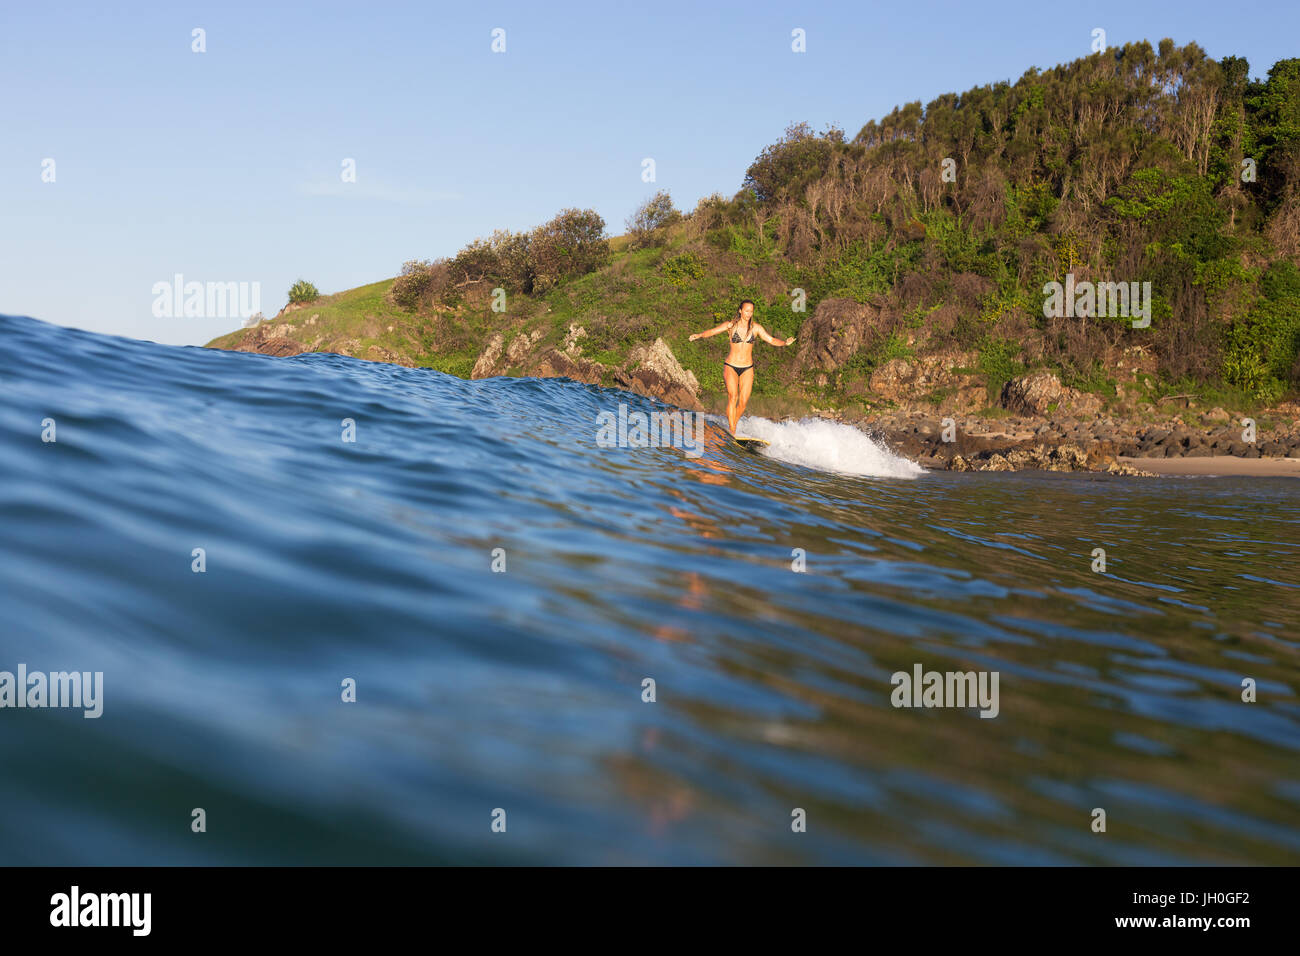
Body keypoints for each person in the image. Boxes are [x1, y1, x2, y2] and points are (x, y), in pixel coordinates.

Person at [688, 300, 795, 434]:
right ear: (740, 310)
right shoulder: (730, 326)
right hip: (731, 366)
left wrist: (784, 343)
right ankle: (732, 431)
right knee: (733, 397)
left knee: (743, 403)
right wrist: (699, 335)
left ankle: (732, 425)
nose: (749, 314)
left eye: (751, 311)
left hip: (747, 368)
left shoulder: (756, 328)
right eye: (746, 311)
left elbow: (771, 339)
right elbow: (712, 331)